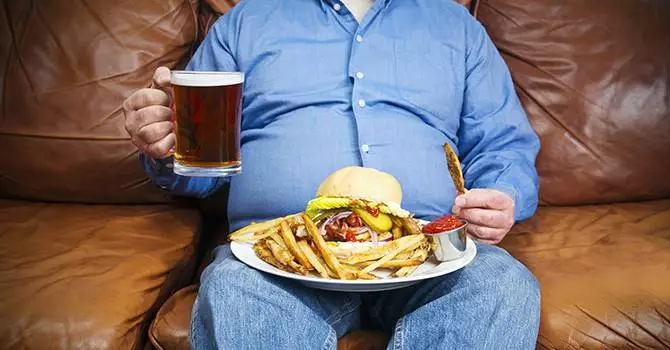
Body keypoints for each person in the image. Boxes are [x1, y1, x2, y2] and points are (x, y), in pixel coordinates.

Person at [122, 0, 541, 348]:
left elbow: (503, 144)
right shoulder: (245, 23)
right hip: (281, 257)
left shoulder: (456, 27)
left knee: (502, 283)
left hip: (427, 249)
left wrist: (502, 194)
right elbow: (199, 165)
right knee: (236, 290)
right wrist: (165, 144)